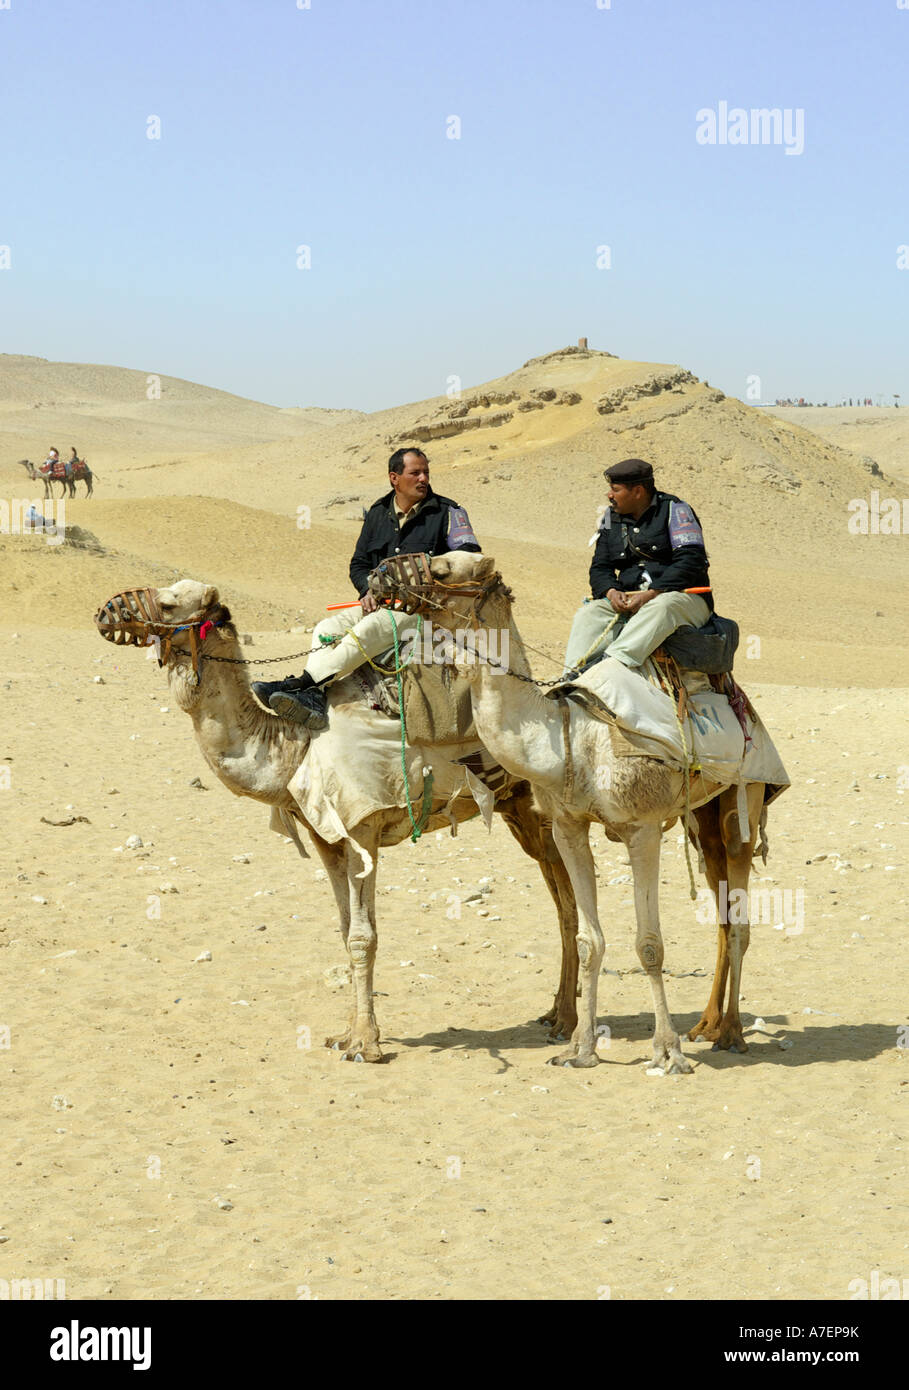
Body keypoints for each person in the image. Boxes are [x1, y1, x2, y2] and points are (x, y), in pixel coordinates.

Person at [252, 447, 481, 727]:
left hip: (425, 611)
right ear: (394, 478)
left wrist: (430, 570)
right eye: (415, 473)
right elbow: (358, 563)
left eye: (426, 473)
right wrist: (366, 591)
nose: (423, 478)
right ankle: (314, 695)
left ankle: (302, 685)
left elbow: (469, 559)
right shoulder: (377, 514)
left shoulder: (449, 512)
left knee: (367, 631)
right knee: (326, 630)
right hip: (380, 605)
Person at [562, 458, 712, 675]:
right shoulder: (609, 517)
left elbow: (691, 560)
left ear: (638, 491)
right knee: (589, 613)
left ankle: (612, 666)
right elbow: (600, 566)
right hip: (632, 598)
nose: (609, 495)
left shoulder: (677, 510)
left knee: (662, 607)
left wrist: (653, 593)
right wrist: (611, 592)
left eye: (615, 489)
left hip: (682, 597)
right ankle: (572, 676)